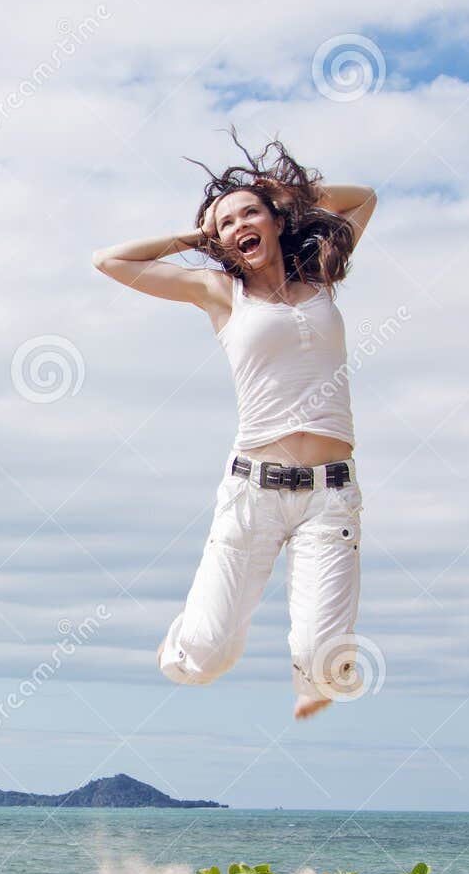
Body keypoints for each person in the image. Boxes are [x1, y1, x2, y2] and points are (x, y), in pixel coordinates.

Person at [91, 131, 378, 719]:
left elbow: (364, 198)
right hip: (254, 490)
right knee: (206, 658)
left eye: (251, 213)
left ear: (276, 222)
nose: (239, 225)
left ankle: (315, 679)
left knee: (328, 665)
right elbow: (110, 261)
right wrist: (198, 235)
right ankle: (184, 638)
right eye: (226, 223)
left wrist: (285, 192)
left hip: (331, 496)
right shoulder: (221, 292)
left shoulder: (319, 277)